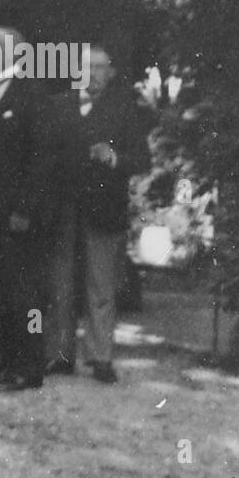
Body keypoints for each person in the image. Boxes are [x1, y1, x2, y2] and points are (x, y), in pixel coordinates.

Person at [46, 42, 151, 384]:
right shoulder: (58, 106)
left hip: (104, 210)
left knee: (101, 286)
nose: (93, 74)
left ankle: (101, 357)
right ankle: (60, 354)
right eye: (87, 67)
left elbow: (143, 160)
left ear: (111, 73)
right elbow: (44, 156)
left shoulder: (124, 110)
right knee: (60, 284)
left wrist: (114, 158)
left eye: (101, 67)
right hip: (62, 209)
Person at [0, 25, 60, 393]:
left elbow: (42, 160)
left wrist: (24, 208)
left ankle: (30, 369)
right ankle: (8, 367)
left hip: (21, 216)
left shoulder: (33, 93)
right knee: (3, 293)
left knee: (27, 296)